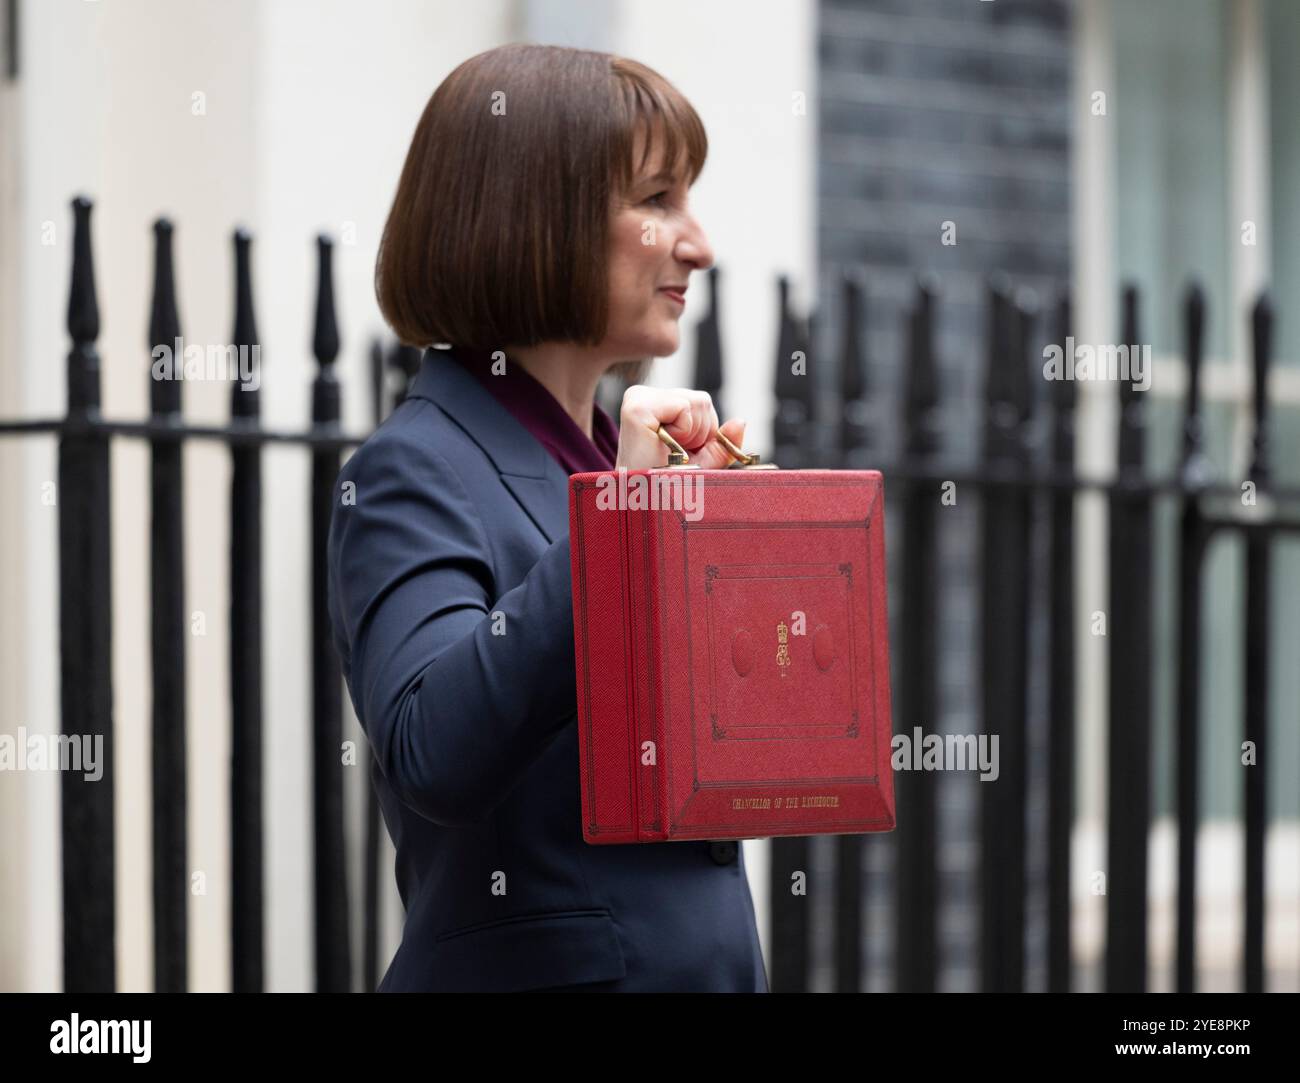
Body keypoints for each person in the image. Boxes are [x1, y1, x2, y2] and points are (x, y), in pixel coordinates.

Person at [327, 42, 768, 992]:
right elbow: (433, 746)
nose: (698, 243)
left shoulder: (623, 455)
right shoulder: (412, 468)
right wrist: (621, 526)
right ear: (537, 216)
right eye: (657, 201)